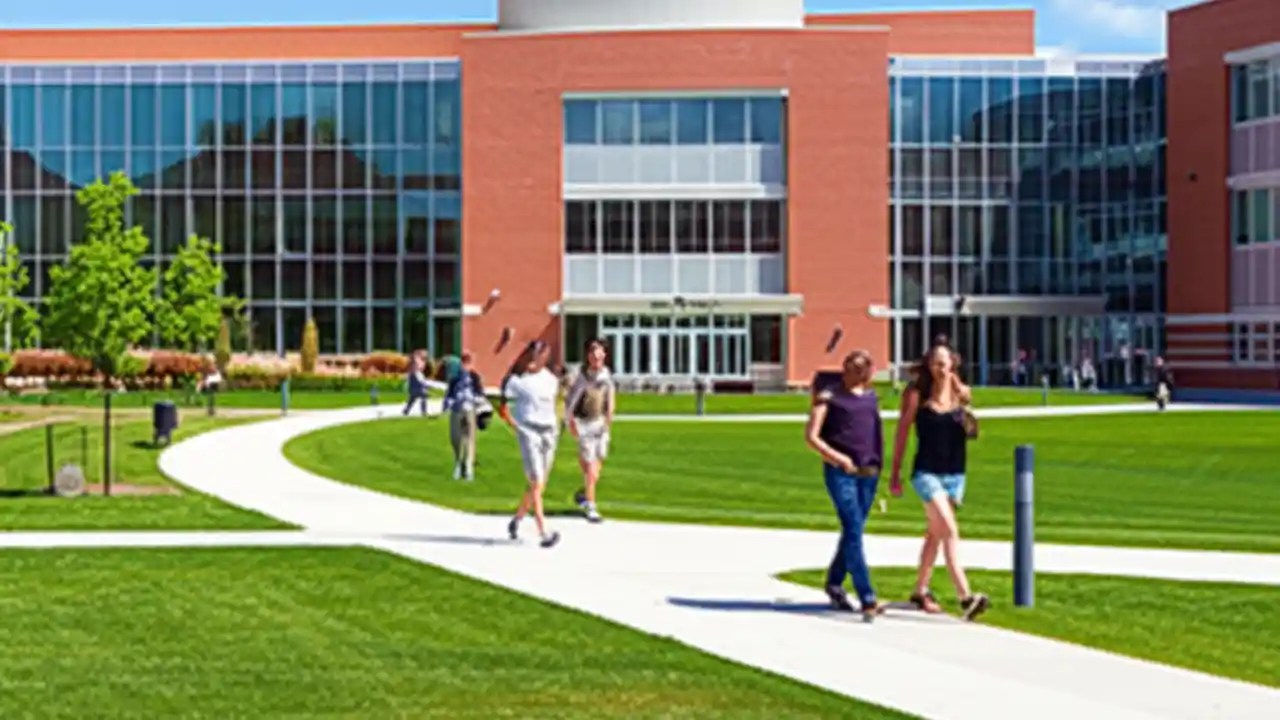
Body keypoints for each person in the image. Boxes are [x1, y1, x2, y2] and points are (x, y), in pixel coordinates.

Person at [890, 343, 990, 622]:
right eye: (935, 362)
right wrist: (895, 472)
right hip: (926, 472)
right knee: (949, 530)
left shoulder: (961, 395)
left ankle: (920, 590)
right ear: (929, 366)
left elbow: (972, 433)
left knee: (935, 534)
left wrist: (968, 410)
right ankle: (966, 597)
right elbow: (902, 432)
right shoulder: (916, 395)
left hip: (955, 474)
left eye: (945, 362)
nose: (940, 367)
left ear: (953, 364)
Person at [805, 350, 887, 622]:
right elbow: (812, 436)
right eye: (853, 367)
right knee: (853, 528)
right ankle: (868, 597)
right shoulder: (830, 397)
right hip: (842, 473)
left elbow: (876, 433)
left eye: (863, 368)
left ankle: (835, 582)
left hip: (869, 472)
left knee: (854, 531)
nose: (858, 372)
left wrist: (882, 469)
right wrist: (838, 458)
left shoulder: (871, 398)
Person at [500, 340, 562, 549]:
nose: (541, 357)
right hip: (528, 429)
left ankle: (516, 520)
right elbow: (503, 405)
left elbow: (556, 404)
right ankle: (543, 530)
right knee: (536, 478)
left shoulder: (551, 380)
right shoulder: (517, 381)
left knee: (539, 483)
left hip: (549, 431)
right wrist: (514, 425)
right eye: (538, 353)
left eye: (545, 353)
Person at [566, 339, 617, 524]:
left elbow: (610, 398)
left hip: (601, 424)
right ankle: (591, 506)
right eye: (593, 354)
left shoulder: (606, 376)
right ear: (588, 356)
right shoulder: (582, 377)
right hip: (585, 424)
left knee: (597, 466)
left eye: (600, 354)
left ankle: (584, 494)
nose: (597, 358)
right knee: (590, 467)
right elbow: (571, 401)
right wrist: (570, 421)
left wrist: (609, 418)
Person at [442, 351, 484, 481]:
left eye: (468, 362)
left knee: (469, 438)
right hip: (456, 410)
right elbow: (449, 395)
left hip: (469, 409)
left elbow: (480, 394)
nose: (465, 365)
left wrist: (476, 399)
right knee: (456, 438)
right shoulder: (455, 379)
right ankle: (458, 463)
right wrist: (448, 403)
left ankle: (468, 466)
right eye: (464, 362)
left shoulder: (475, 377)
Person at [403, 350, 430, 417]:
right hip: (416, 382)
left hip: (414, 382)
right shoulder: (416, 363)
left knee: (413, 398)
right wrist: (423, 384)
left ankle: (406, 410)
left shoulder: (415, 364)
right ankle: (424, 412)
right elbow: (418, 376)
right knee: (422, 396)